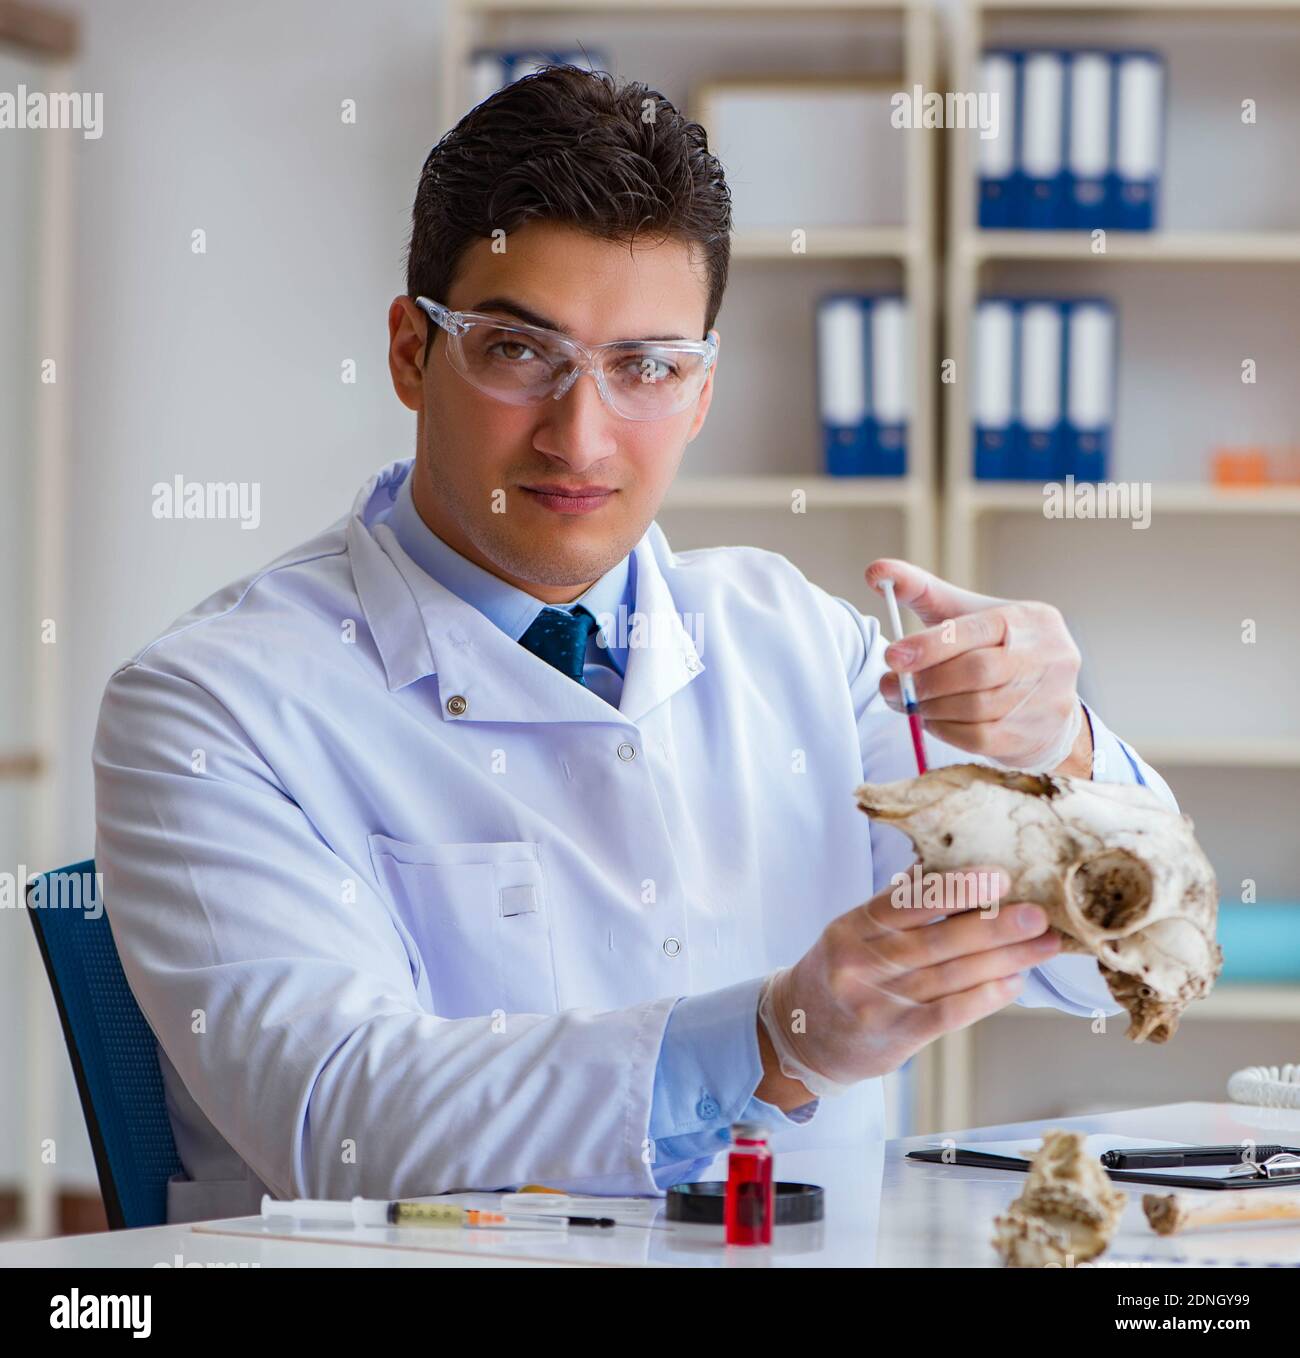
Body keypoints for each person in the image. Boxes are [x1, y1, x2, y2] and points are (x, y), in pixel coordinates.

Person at [94, 66, 1175, 1224]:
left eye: (646, 366)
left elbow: (1114, 960)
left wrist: (1055, 746)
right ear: (413, 351)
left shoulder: (797, 640)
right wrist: (768, 1037)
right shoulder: (210, 703)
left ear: (700, 389)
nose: (582, 434)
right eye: (519, 352)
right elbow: (333, 1115)